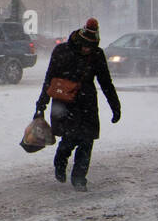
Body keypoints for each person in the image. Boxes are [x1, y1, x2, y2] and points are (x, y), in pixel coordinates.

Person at [34, 18, 120, 191]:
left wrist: (115, 106)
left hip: (87, 103)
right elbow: (49, 79)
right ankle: (60, 161)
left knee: (87, 141)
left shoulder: (96, 54)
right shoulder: (62, 51)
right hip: (66, 103)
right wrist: (41, 104)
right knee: (70, 138)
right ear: (78, 41)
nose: (87, 49)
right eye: (85, 46)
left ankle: (79, 177)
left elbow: (106, 82)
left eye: (91, 47)